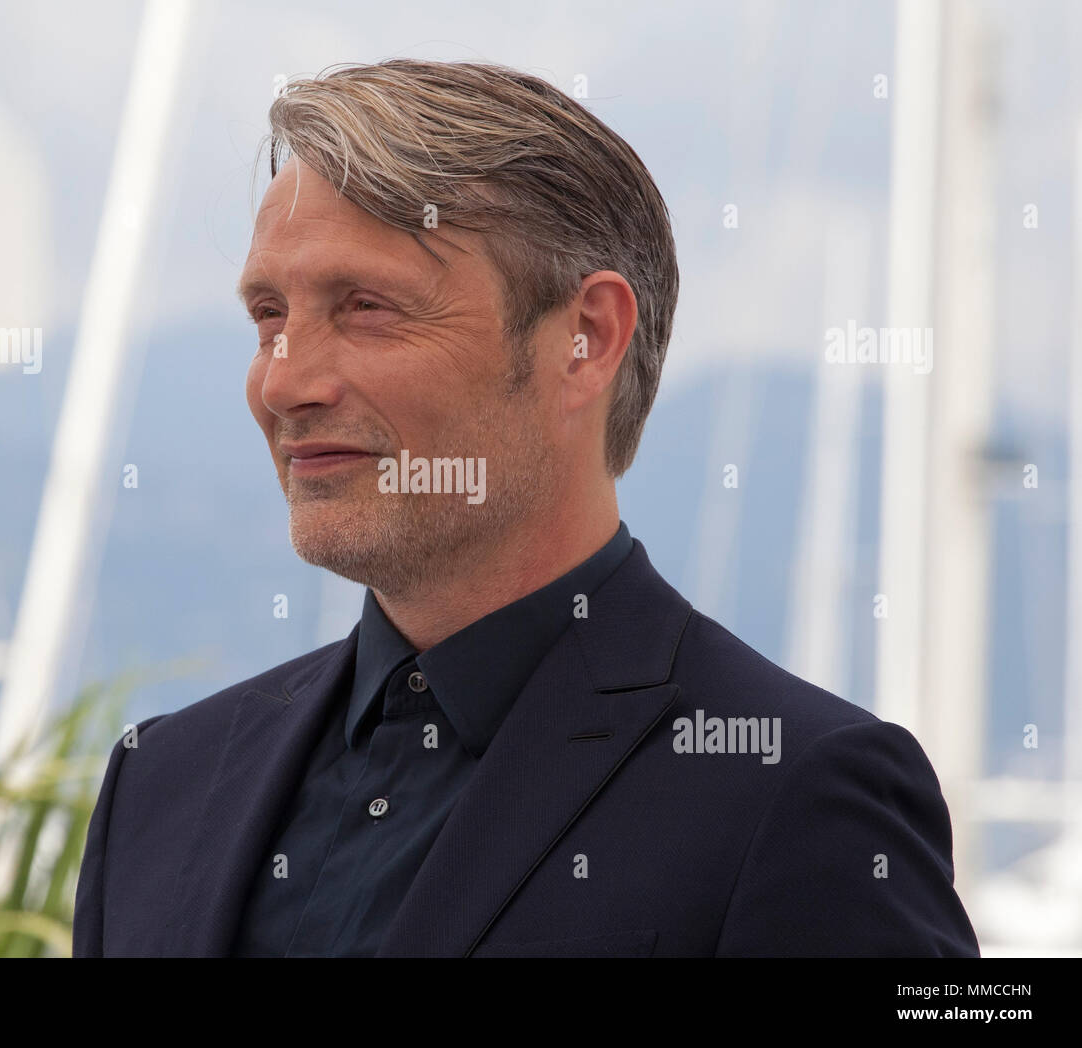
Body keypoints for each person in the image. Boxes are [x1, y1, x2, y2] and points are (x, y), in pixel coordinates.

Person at [72, 58, 979, 957]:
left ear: (587, 341)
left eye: (365, 308)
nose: (285, 382)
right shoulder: (164, 785)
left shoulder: (795, 792)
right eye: (269, 317)